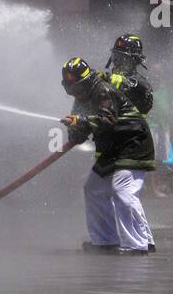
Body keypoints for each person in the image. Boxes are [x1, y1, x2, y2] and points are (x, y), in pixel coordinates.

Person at [59, 57, 156, 255]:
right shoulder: (81, 100)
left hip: (132, 144)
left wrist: (82, 121)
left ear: (85, 82)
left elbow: (107, 119)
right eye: (71, 90)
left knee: (123, 190)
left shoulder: (102, 90)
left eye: (76, 88)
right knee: (93, 189)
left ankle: (138, 245)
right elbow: (78, 134)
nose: (75, 94)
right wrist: (76, 128)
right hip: (112, 149)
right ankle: (105, 241)